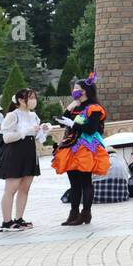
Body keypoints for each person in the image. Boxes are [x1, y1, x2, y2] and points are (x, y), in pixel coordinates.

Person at [51, 73, 109, 226]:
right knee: (74, 183)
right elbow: (62, 122)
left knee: (85, 182)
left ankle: (86, 213)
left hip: (86, 147)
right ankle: (73, 212)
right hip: (71, 146)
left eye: (77, 88)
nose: (74, 90)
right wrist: (70, 107)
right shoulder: (76, 106)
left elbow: (91, 129)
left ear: (85, 90)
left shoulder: (94, 108)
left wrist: (73, 124)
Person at [0, 88, 53, 231]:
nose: (34, 100)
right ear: (21, 100)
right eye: (30, 97)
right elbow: (6, 137)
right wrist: (25, 132)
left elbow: (39, 138)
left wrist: (43, 130)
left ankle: (19, 218)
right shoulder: (12, 115)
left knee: (25, 189)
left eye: (34, 97)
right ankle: (6, 222)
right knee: (11, 189)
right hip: (15, 154)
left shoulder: (33, 115)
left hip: (29, 154)